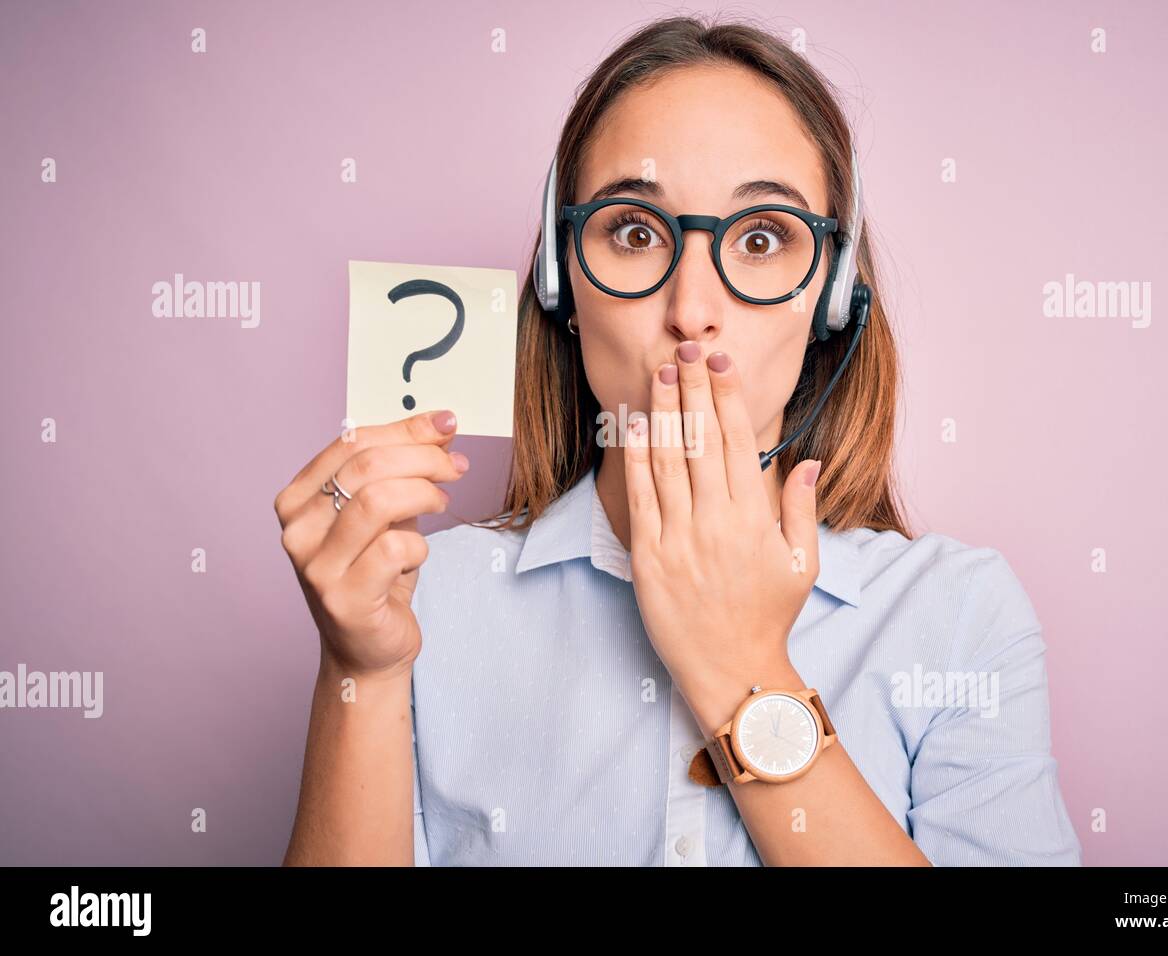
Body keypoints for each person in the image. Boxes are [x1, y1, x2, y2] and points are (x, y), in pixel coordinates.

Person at [278, 15, 1082, 867]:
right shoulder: (425, 606)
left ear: (833, 300)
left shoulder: (956, 615)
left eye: (763, 237)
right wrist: (354, 671)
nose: (692, 308)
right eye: (633, 233)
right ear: (560, 283)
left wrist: (739, 664)